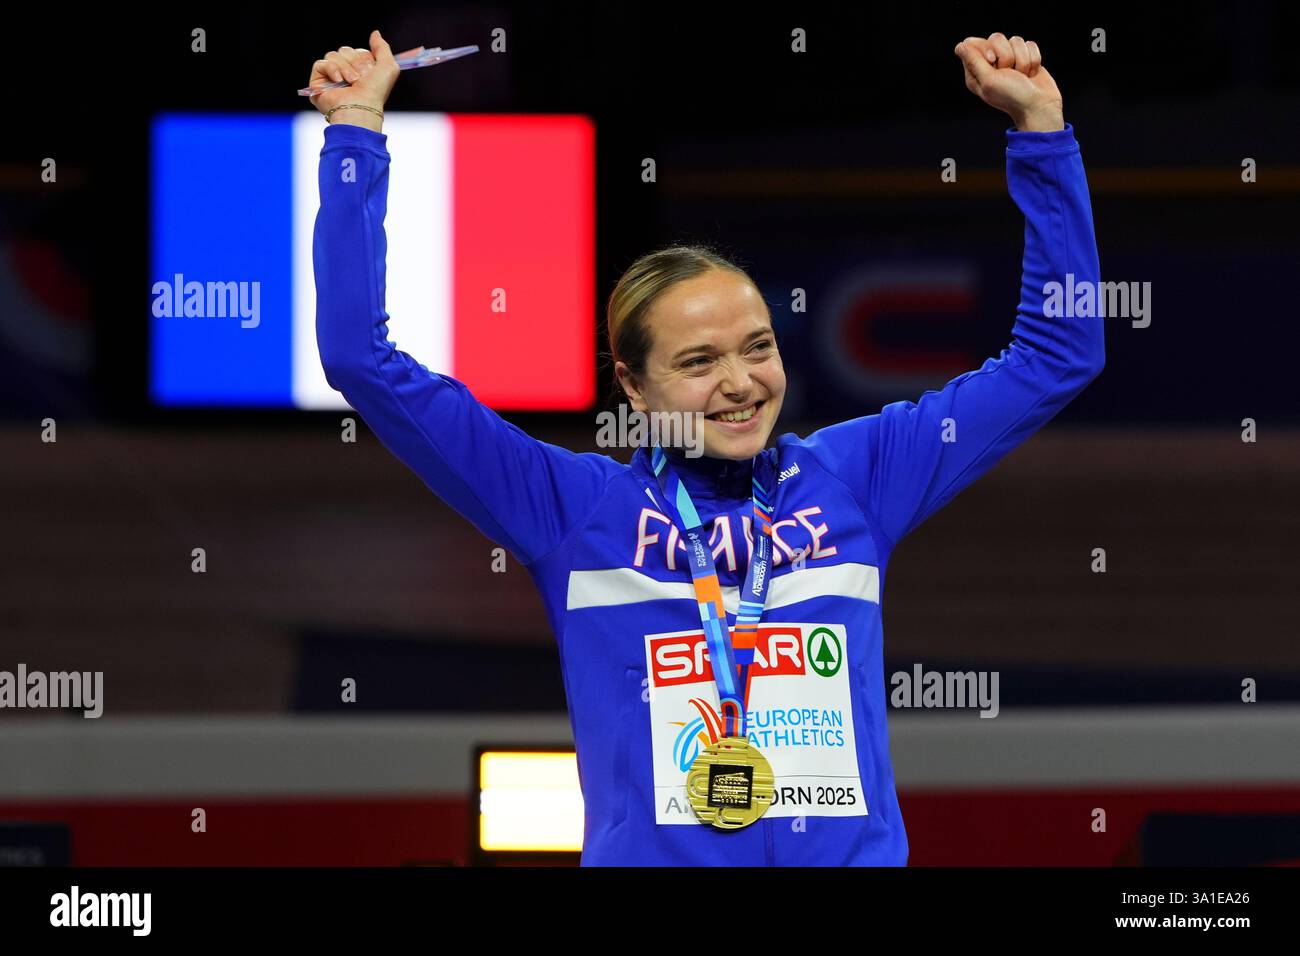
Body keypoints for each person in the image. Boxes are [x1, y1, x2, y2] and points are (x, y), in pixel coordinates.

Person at [309, 30, 1103, 865]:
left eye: (757, 347)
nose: (740, 382)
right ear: (634, 386)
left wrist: (1043, 135)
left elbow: (1060, 353)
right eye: (698, 361)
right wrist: (358, 128)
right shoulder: (571, 511)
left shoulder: (857, 477)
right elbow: (362, 358)